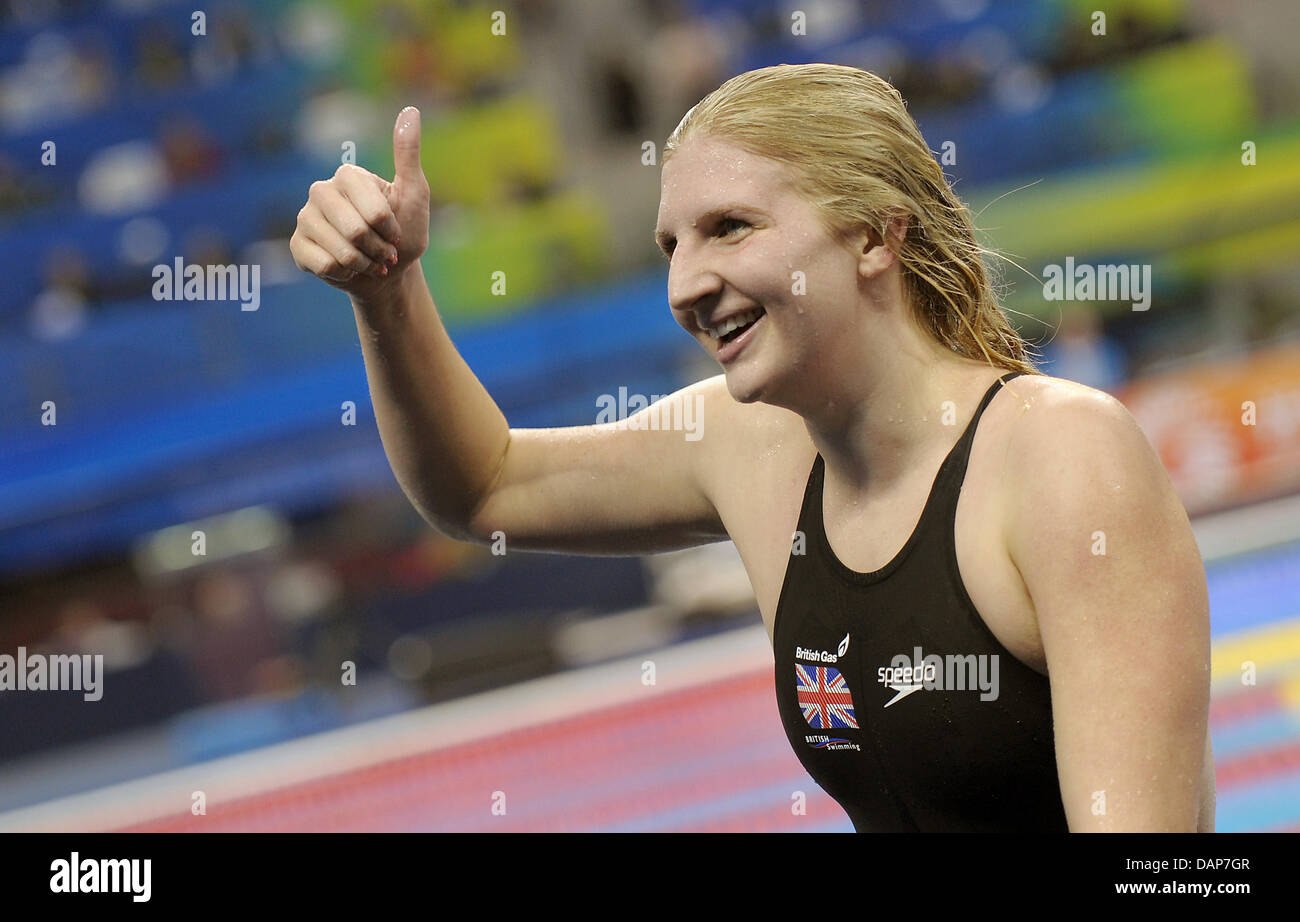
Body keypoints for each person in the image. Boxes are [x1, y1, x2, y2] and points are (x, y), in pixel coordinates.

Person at [289, 63, 1214, 832]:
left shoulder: (1061, 456)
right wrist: (387, 288)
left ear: (873, 234)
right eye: (669, 245)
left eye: (729, 227)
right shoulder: (747, 447)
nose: (687, 283)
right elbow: (483, 487)